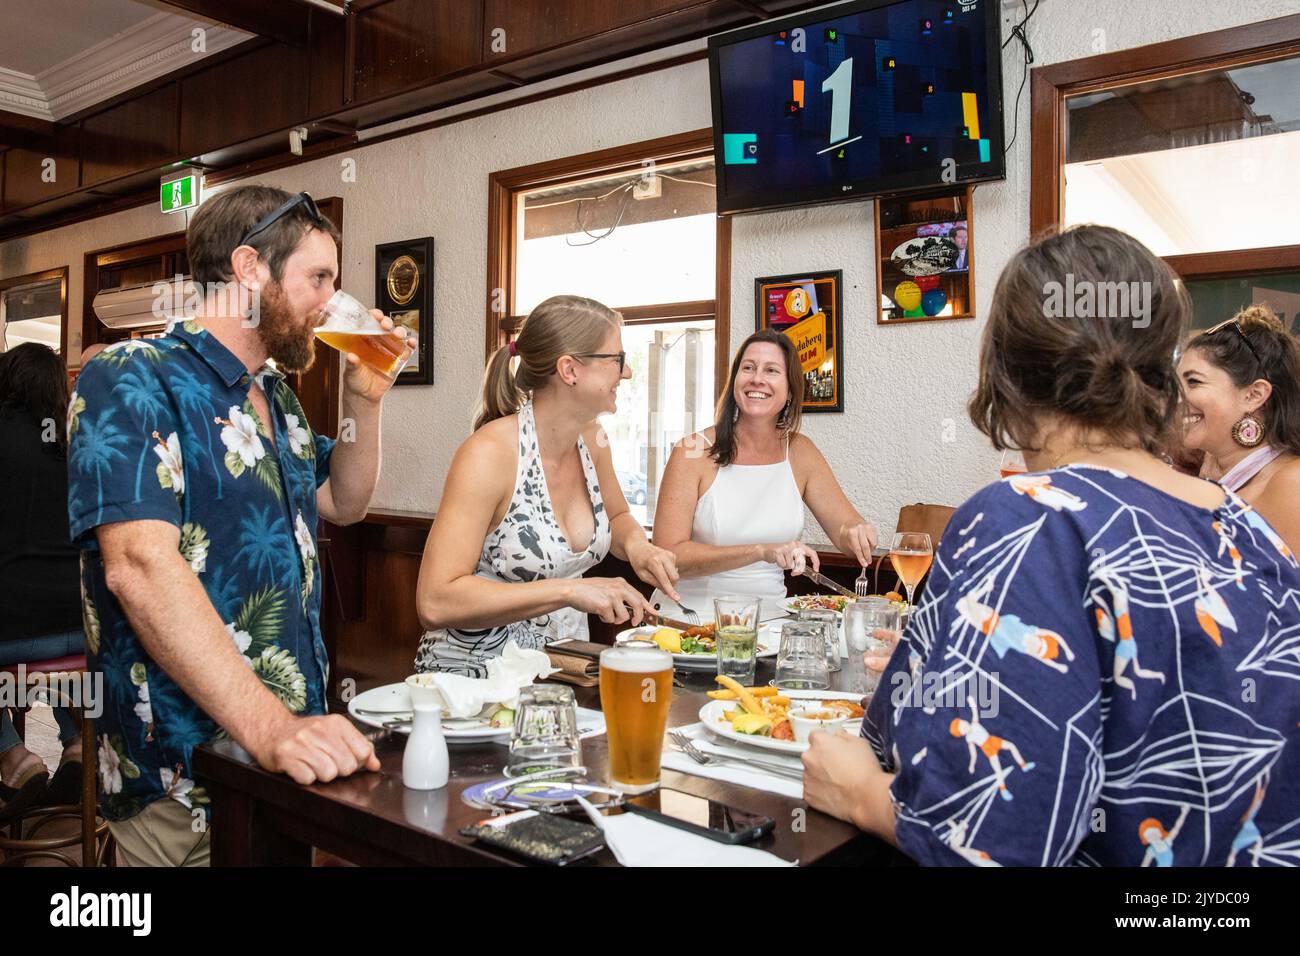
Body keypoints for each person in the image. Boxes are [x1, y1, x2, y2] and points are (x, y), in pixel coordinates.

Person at [801, 224, 1300, 866]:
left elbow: (985, 838)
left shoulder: (1029, 517)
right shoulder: (1250, 530)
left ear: (1008, 369)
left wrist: (862, 794)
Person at [67, 185, 405, 865]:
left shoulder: (277, 396)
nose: (329, 302)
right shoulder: (132, 377)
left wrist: (362, 403)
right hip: (182, 767)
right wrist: (271, 728)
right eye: (318, 279)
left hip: (284, 758)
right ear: (249, 268)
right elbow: (136, 567)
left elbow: (345, 502)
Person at [414, 295, 680, 676]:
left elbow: (617, 514)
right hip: (473, 686)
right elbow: (435, 602)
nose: (627, 373)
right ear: (570, 369)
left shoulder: (593, 439)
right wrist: (570, 591)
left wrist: (639, 547)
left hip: (559, 672)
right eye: (617, 360)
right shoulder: (488, 454)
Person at [651, 329, 876, 617]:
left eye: (771, 370)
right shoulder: (691, 451)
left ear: (790, 389)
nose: (757, 378)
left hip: (772, 624)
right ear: (735, 380)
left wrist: (856, 530)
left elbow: (844, 528)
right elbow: (669, 557)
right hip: (691, 622)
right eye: (748, 368)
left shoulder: (800, 451)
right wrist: (760, 550)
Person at [0, 344, 84, 813]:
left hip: (11, 634)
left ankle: (13, 755)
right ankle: (76, 744)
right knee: (67, 678)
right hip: (80, 631)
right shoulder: (77, 442)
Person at [1177, 304, 1300, 553]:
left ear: (1254, 395)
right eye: (1176, 383)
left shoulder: (1292, 483)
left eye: (1194, 382)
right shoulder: (1207, 472)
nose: (1177, 397)